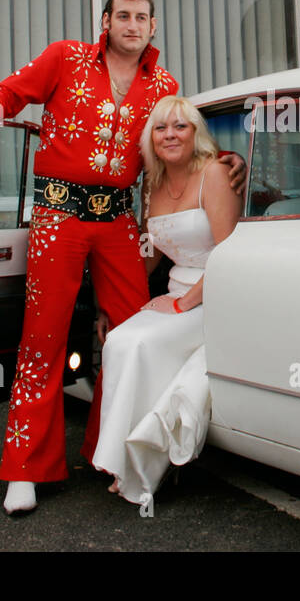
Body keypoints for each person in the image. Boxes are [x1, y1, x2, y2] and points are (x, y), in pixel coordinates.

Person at [0, 0, 241, 515]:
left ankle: (115, 453)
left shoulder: (163, 83)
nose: (130, 25)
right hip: (59, 213)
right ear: (106, 22)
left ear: (152, 27)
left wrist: (228, 162)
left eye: (140, 18)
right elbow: (12, 94)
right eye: (121, 16)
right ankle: (25, 470)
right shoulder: (66, 59)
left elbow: (182, 142)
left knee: (132, 329)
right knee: (44, 336)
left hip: (118, 220)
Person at [89, 95, 242, 504]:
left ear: (196, 134)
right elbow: (148, 254)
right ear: (150, 140)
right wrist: (109, 299)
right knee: (121, 339)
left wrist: (184, 303)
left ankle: (145, 468)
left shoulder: (214, 174)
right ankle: (122, 458)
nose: (170, 135)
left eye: (180, 126)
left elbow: (229, 256)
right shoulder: (152, 184)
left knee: (141, 342)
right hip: (176, 293)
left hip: (216, 295)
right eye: (161, 128)